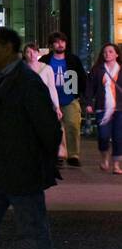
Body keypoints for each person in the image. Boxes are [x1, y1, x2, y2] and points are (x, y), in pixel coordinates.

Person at [0, 28, 61, 249]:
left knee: (32, 232)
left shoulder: (27, 82)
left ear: (8, 48)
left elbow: (50, 130)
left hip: (22, 170)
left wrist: (37, 164)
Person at [40, 33, 86, 168]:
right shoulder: (45, 60)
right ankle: (58, 154)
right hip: (50, 100)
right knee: (55, 128)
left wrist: (79, 94)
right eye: (56, 42)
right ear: (51, 45)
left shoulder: (73, 60)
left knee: (73, 125)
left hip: (69, 98)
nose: (60, 44)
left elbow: (82, 77)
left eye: (62, 42)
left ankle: (73, 155)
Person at [84, 43, 122, 174]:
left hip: (119, 108)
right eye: (105, 52)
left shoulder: (121, 70)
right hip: (102, 107)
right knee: (103, 136)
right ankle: (105, 158)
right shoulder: (97, 70)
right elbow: (89, 88)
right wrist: (88, 103)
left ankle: (116, 165)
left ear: (117, 54)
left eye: (111, 52)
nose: (108, 54)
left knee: (118, 137)